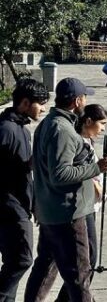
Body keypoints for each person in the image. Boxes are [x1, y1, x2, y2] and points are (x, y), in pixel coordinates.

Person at [25, 77, 107, 302]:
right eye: (84, 98)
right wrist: (95, 168)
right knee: (80, 275)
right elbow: (60, 174)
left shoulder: (49, 123)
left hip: (50, 210)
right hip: (67, 214)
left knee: (45, 268)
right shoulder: (62, 130)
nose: (85, 101)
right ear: (77, 100)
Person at [53, 104, 107, 302]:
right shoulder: (78, 142)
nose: (103, 129)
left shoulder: (87, 141)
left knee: (85, 259)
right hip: (82, 207)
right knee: (87, 259)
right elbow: (79, 172)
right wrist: (98, 186)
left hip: (89, 206)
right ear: (88, 122)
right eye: (101, 124)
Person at [0, 78, 49, 302]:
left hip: (20, 203)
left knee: (14, 260)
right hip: (9, 206)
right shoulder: (6, 129)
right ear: (25, 103)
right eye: (40, 103)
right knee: (21, 259)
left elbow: (20, 167)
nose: (43, 108)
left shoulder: (21, 128)